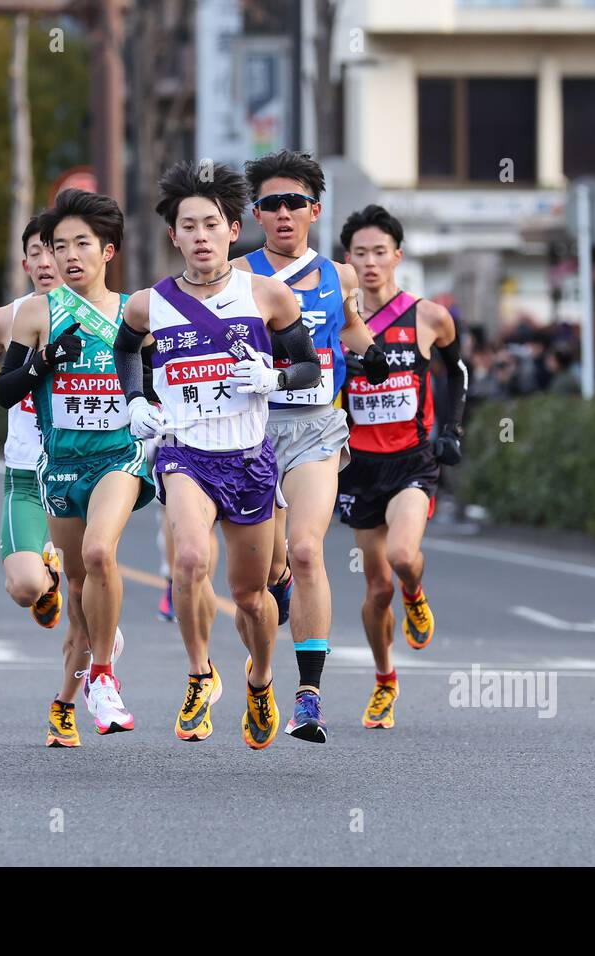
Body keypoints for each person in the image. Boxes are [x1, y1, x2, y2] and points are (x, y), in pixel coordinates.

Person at [116, 160, 322, 750]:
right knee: (186, 560)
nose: (200, 235)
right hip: (186, 453)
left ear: (234, 230)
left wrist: (272, 379)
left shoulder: (265, 294)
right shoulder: (147, 304)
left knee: (252, 595)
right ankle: (201, 674)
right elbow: (126, 350)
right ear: (173, 236)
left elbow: (306, 364)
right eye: (189, 226)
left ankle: (259, 679)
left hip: (250, 459)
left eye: (212, 223)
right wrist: (135, 402)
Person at [231, 149, 390, 743]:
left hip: (317, 427)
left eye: (293, 202)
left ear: (314, 211)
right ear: (255, 214)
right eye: (270, 204)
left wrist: (368, 351)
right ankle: (261, 675)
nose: (282, 213)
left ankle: (310, 697)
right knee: (262, 579)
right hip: (249, 432)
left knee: (304, 551)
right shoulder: (237, 275)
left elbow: (349, 326)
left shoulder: (338, 274)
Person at [0, 189, 155, 737]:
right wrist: (43, 362)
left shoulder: (136, 309)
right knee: (80, 585)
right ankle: (71, 690)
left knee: (97, 552)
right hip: (61, 462)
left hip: (119, 456)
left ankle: (105, 675)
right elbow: (6, 388)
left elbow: (158, 377)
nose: (68, 255)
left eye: (81, 244)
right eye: (58, 245)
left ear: (107, 250)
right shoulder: (38, 313)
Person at [0, 216, 103, 749]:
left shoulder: (106, 316)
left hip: (87, 471)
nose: (48, 261)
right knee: (27, 587)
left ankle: (65, 706)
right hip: (28, 476)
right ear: (26, 261)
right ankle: (43, 577)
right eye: (38, 252)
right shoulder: (9, 319)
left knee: (85, 598)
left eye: (58, 249)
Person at [336, 205, 467, 730]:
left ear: (398, 256)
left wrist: (452, 432)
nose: (370, 263)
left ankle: (417, 593)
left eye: (380, 253)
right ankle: (385, 680)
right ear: (348, 259)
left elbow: (457, 373)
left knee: (402, 555)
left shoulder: (429, 317)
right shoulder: (337, 321)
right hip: (359, 466)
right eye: (360, 254)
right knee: (375, 589)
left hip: (413, 461)